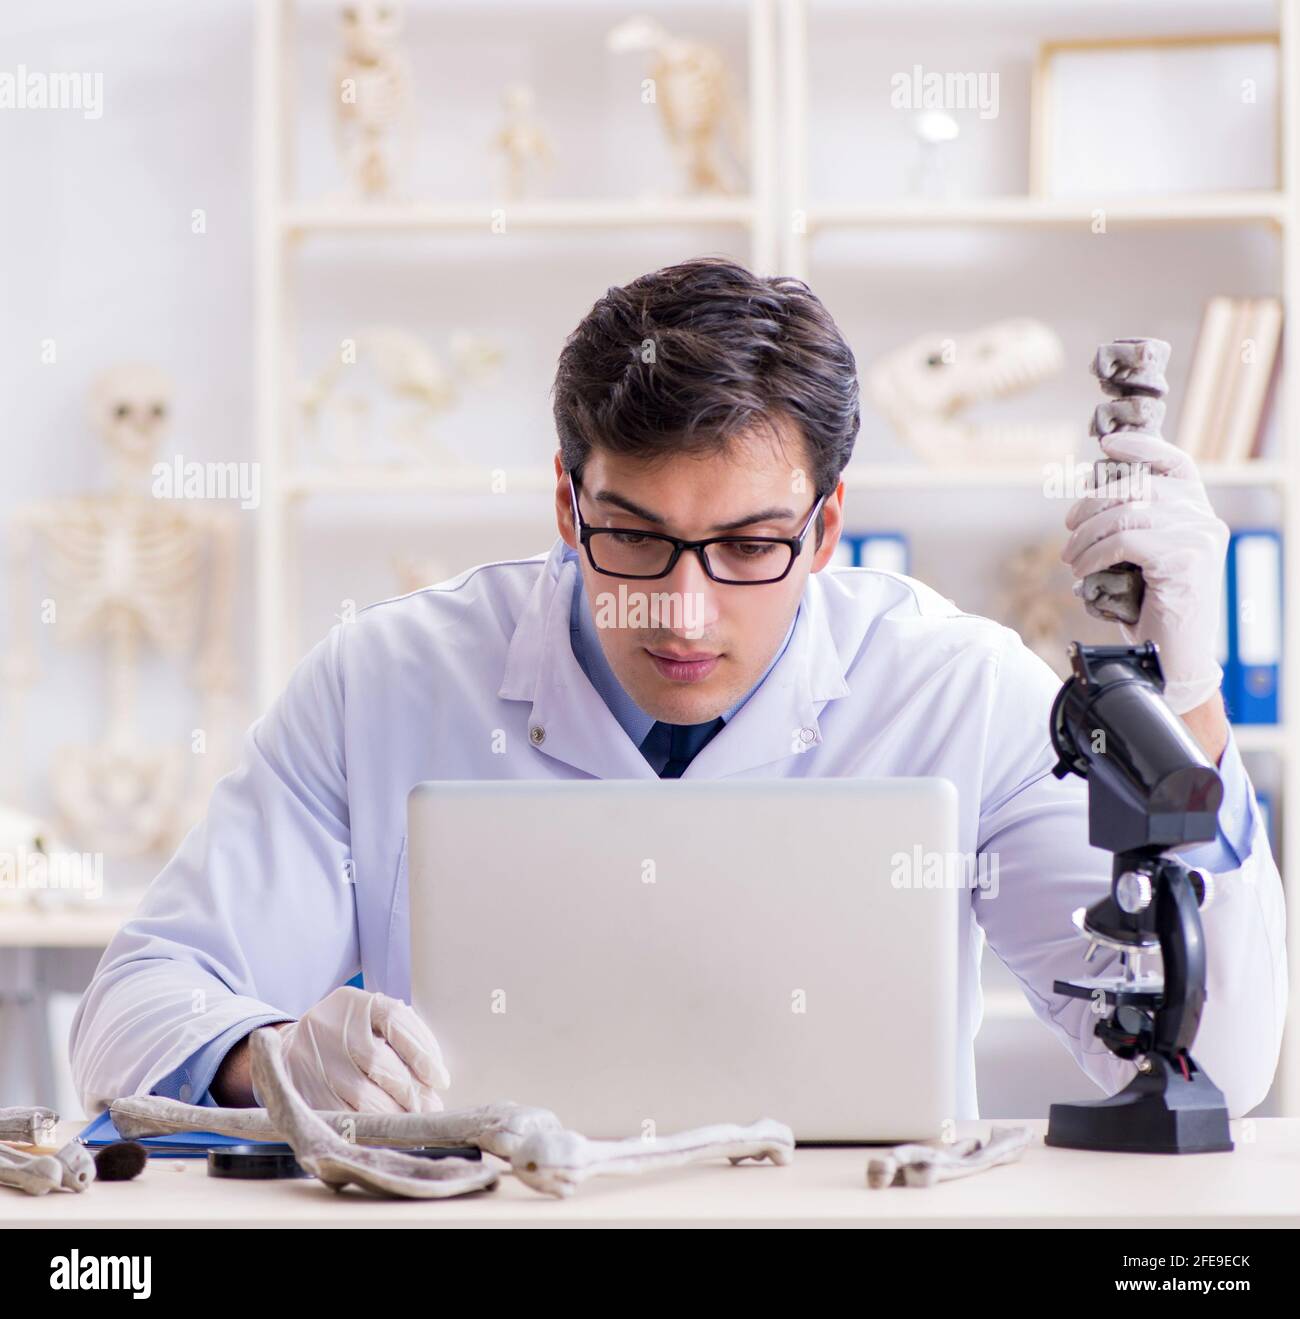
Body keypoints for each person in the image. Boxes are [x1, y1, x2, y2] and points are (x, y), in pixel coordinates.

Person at [70, 256, 1286, 1120]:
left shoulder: (956, 688)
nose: (684, 611)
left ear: (826, 528)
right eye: (634, 538)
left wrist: (1187, 687)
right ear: (565, 505)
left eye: (750, 545)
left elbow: (1218, 1066)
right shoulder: (383, 679)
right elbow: (131, 1012)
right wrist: (264, 1056)